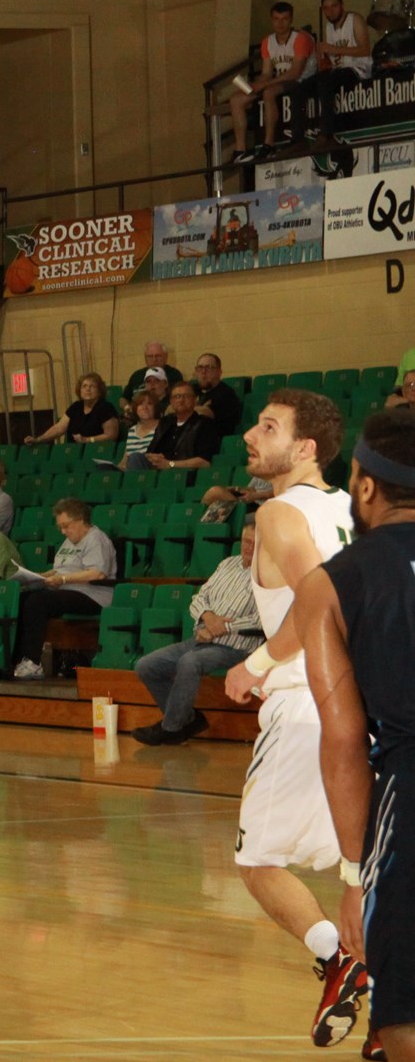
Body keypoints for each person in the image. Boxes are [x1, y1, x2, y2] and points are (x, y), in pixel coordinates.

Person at [217, 390, 366, 1049]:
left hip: (308, 701)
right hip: (368, 703)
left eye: (268, 427)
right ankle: (388, 1008)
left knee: (259, 860)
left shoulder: (280, 512)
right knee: (360, 870)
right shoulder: (353, 508)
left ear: (304, 447)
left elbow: (318, 601)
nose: (252, 434)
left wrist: (253, 665)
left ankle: (342, 963)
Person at [298, 409, 415, 1062]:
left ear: (366, 486)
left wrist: (353, 873)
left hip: (411, 785)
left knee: (402, 1013)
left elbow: (343, 740)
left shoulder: (333, 581)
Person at [131, 522, 261, 746]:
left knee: (189, 661)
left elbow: (260, 620)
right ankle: (188, 720)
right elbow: (199, 598)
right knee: (146, 665)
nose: (247, 547)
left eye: (254, 543)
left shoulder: (268, 575)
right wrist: (208, 618)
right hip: (202, 638)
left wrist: (221, 628)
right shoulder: (227, 564)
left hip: (238, 647)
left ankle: (170, 728)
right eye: (245, 541)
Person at [11, 498, 117, 679]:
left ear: (81, 520)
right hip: (67, 591)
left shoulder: (95, 539)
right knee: (20, 599)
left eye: (66, 526)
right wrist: (40, 576)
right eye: (60, 527)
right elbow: (61, 568)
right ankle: (17, 659)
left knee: (38, 602)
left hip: (92, 595)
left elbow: (97, 573)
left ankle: (33, 662)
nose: (63, 531)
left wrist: (63, 579)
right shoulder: (69, 541)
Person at [231, 0, 319, 163]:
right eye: (276, 19)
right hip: (279, 80)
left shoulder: (300, 38)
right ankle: (240, 149)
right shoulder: (268, 42)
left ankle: (269, 143)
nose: (280, 23)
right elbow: (266, 72)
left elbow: (294, 73)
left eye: (284, 19)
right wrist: (255, 84)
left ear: (291, 20)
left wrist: (264, 84)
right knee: (236, 100)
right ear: (272, 20)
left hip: (302, 80)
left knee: (268, 92)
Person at [304, 0, 372, 138]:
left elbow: (365, 50)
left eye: (334, 6)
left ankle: (327, 132)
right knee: (304, 85)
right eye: (326, 8)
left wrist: (333, 48)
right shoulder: (329, 27)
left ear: (342, 5)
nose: (330, 11)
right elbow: (334, 57)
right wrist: (323, 59)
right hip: (339, 69)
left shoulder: (355, 20)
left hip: (358, 68)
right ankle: (304, 133)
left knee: (326, 82)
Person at [146, 382, 223, 473]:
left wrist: (170, 464)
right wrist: (154, 458)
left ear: (195, 400)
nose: (181, 400)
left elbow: (204, 462)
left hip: (187, 474)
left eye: (186, 396)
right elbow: (150, 453)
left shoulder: (204, 424)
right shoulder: (165, 423)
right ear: (171, 402)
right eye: (177, 396)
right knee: (136, 458)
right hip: (159, 474)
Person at [27, 371, 120, 447]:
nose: (88, 389)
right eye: (84, 386)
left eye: (92, 386)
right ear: (79, 391)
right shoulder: (76, 407)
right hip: (75, 450)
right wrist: (38, 439)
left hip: (97, 450)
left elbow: (111, 435)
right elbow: (59, 428)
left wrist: (87, 440)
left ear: (99, 391)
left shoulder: (106, 407)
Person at [192, 353, 245, 436]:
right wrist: (198, 409)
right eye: (200, 368)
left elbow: (207, 414)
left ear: (219, 372)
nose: (203, 372)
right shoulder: (192, 389)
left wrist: (185, 408)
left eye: (208, 368)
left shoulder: (226, 394)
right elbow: (170, 408)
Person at [116, 389, 165, 470]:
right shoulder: (132, 430)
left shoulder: (163, 427)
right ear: (135, 408)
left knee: (135, 457)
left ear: (155, 407)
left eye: (149, 404)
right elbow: (124, 462)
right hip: (132, 469)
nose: (145, 407)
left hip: (152, 470)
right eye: (141, 404)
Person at [122, 343, 183, 407]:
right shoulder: (137, 375)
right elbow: (124, 398)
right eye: (150, 356)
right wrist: (127, 408)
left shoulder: (175, 374)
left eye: (158, 356)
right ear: (145, 358)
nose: (154, 360)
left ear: (165, 357)